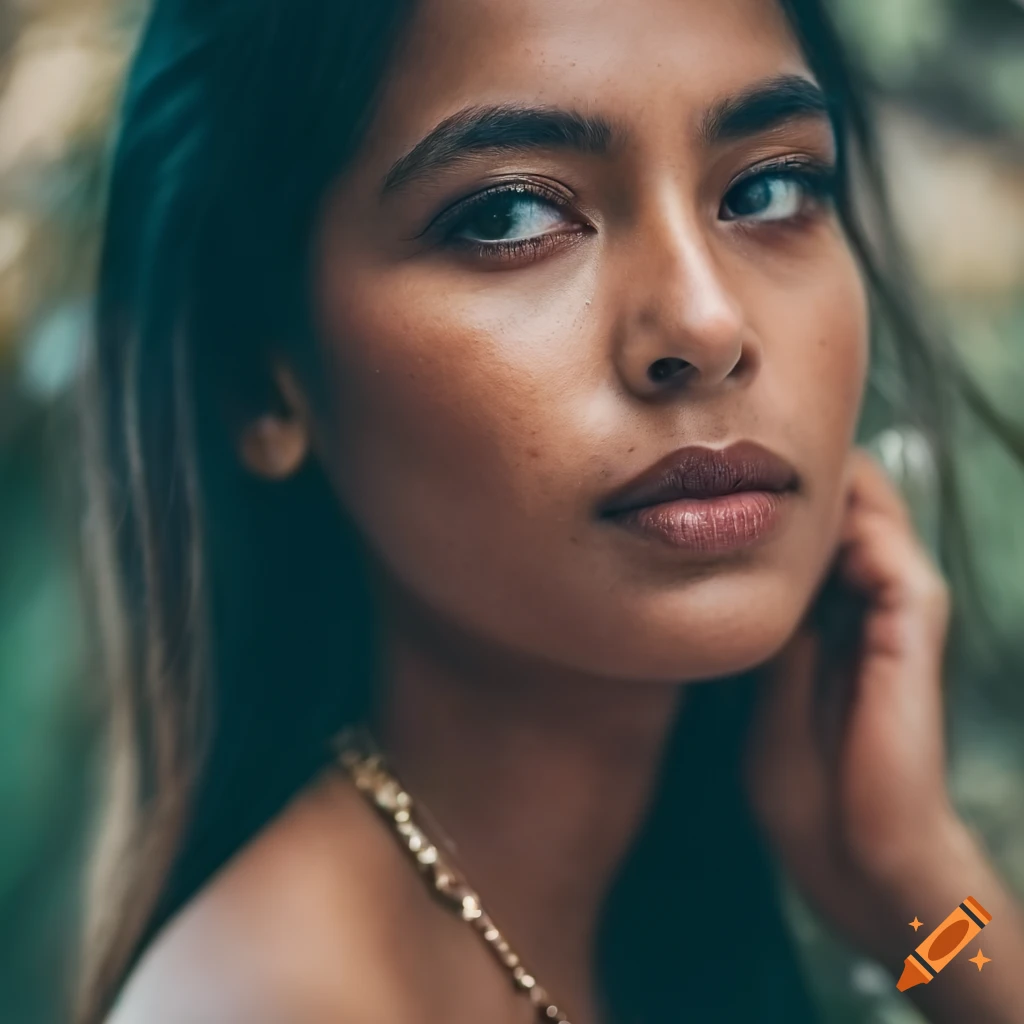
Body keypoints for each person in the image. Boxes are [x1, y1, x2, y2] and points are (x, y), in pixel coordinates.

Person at [74, 1, 1024, 1022]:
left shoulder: (686, 883)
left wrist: (918, 888)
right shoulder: (272, 1001)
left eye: (767, 187)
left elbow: (941, 965)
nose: (706, 323)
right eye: (508, 216)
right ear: (257, 382)